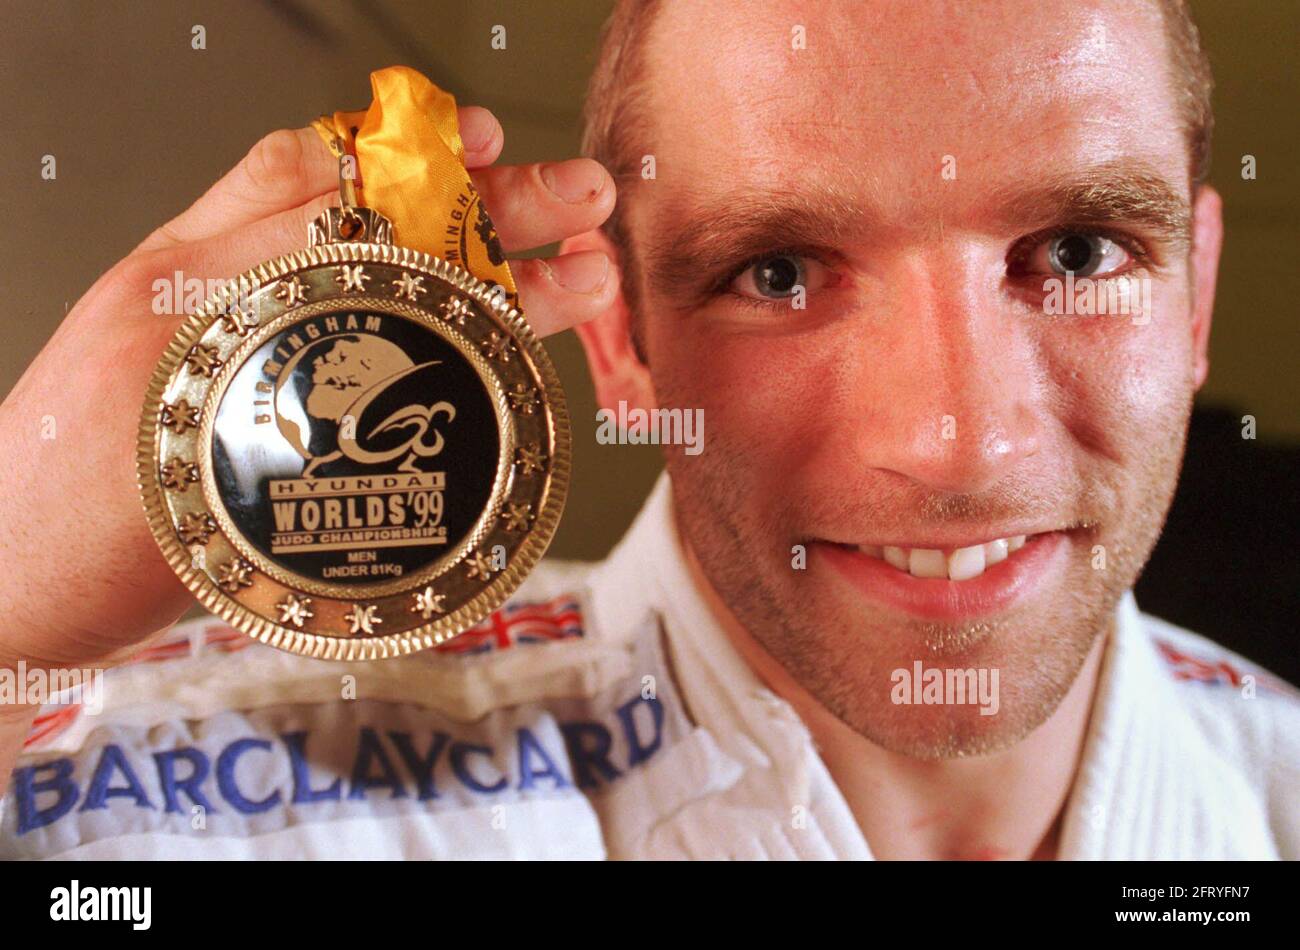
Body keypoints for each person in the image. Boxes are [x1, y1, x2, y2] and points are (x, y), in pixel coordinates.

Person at [1, 0, 1296, 860]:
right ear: (619, 344)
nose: (964, 448)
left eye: (1078, 249)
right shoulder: (177, 797)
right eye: (780, 272)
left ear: (1196, 301)